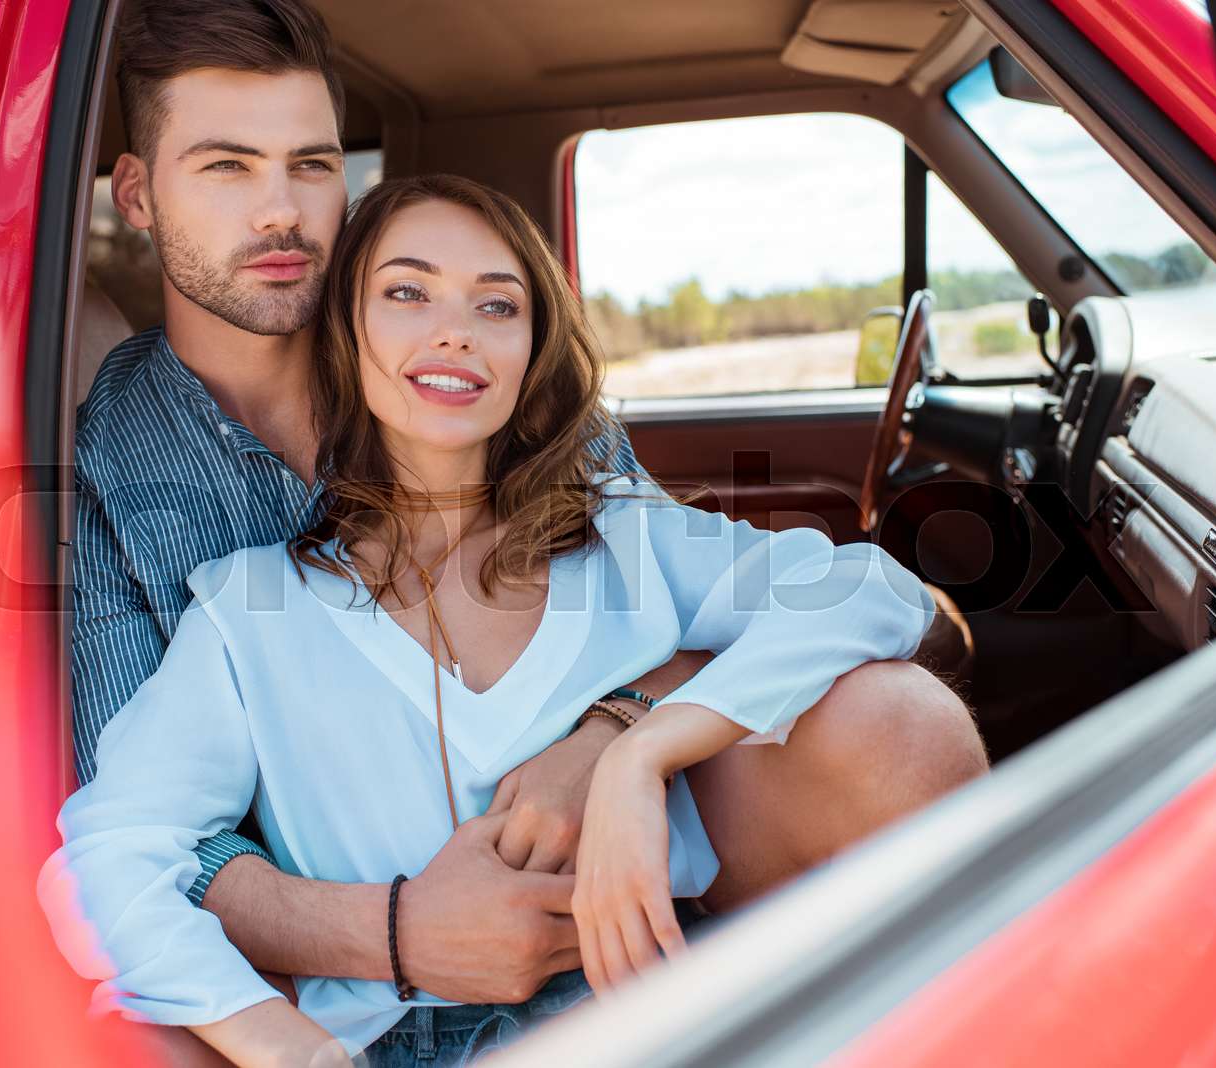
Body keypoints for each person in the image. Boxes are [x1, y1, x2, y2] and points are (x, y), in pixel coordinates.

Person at [67, 1, 987, 1062]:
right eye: (227, 167)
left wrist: (615, 738)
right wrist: (402, 938)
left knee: (895, 721)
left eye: (312, 165)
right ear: (137, 192)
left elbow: (662, 605)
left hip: (609, 916)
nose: (280, 212)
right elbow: (142, 850)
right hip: (339, 980)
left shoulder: (494, 404)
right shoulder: (123, 504)